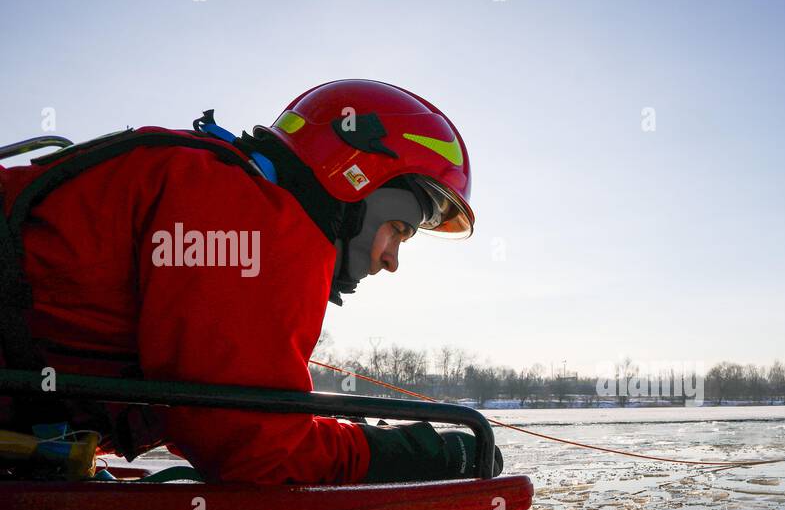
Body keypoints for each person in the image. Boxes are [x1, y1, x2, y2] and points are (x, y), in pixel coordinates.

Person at [0, 79, 500, 483]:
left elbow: (210, 402)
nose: (392, 261)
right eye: (400, 230)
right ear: (356, 182)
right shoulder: (256, 224)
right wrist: (414, 454)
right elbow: (258, 450)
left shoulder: (215, 183)